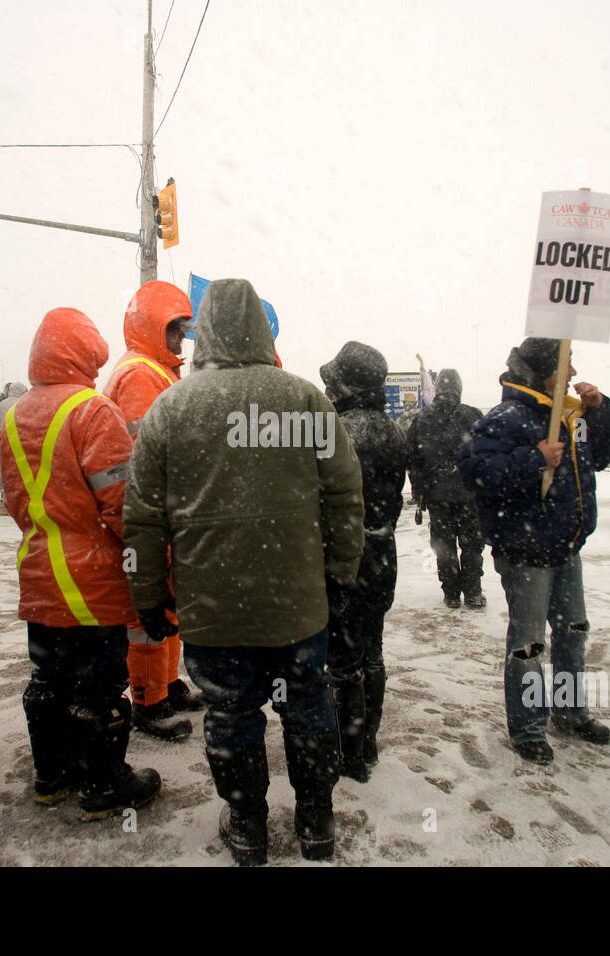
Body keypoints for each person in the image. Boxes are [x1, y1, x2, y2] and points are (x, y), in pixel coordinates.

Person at [123, 278, 363, 865]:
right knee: (307, 705)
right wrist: (339, 571)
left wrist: (149, 597)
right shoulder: (305, 400)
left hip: (214, 609)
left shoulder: (170, 409)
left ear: (204, 332)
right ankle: (316, 821)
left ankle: (249, 825)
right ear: (259, 326)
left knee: (231, 714)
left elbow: (143, 519)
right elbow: (344, 496)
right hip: (298, 605)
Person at [1, 307, 161, 819]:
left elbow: (12, 496)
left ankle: (53, 775)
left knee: (49, 678)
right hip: (91, 577)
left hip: (39, 571)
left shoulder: (14, 412)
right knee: (101, 684)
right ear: (85, 351)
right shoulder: (92, 410)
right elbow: (122, 502)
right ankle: (105, 783)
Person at [459, 338, 610, 764]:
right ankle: (529, 726)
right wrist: (533, 459)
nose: (572, 375)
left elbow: (602, 455)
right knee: (529, 645)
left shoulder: (570, 415)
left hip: (567, 548)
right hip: (526, 552)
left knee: (572, 634)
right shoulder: (505, 418)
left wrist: (602, 410)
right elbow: (476, 471)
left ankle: (569, 713)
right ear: (539, 373)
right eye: (564, 367)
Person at [103, 280, 200, 741]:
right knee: (148, 614)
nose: (180, 341)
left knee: (168, 605)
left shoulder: (155, 371)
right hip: (155, 513)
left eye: (182, 332)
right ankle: (147, 700)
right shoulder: (141, 374)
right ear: (152, 328)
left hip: (167, 511)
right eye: (175, 331)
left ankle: (166, 682)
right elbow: (144, 455)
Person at [319, 341, 407, 782]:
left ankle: (348, 752)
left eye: (334, 383)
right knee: (372, 652)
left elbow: (326, 503)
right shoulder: (390, 430)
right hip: (383, 556)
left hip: (347, 559)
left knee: (344, 662)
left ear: (347, 385)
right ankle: (366, 743)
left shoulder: (340, 432)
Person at [406, 368, 486, 608]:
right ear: (459, 388)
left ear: (439, 388)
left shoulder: (422, 418)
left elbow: (413, 460)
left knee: (444, 544)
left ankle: (451, 593)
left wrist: (419, 491)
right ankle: (472, 592)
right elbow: (485, 454)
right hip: (470, 493)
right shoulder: (473, 416)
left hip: (437, 493)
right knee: (472, 545)